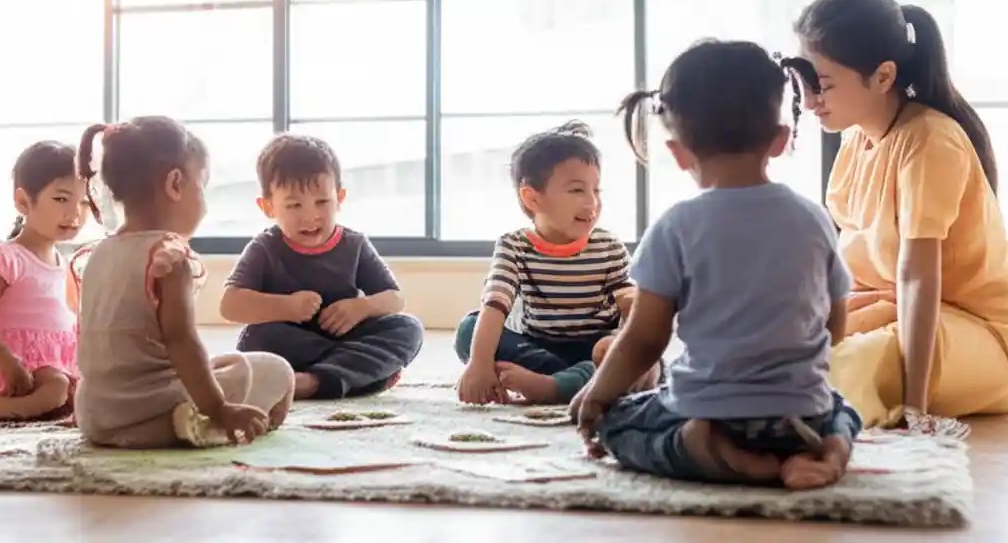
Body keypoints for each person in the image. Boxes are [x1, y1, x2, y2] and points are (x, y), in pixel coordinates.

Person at [572, 41, 861, 489]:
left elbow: (645, 339)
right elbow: (835, 324)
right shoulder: (814, 219)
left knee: (621, 422)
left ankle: (706, 448)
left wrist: (598, 395)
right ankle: (828, 450)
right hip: (800, 413)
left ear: (678, 152)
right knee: (842, 409)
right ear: (781, 139)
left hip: (712, 411)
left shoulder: (676, 226)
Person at [790, 0, 1008, 430]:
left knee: (843, 368)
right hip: (897, 311)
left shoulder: (930, 141)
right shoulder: (856, 140)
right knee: (785, 345)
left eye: (824, 85)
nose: (809, 100)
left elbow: (917, 279)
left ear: (883, 77)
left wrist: (916, 407)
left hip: (984, 335)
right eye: (803, 83)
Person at [73, 116, 294, 448]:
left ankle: (182, 422)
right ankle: (199, 423)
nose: (203, 202)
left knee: (217, 364)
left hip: (95, 417)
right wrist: (218, 407)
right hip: (150, 412)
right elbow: (182, 341)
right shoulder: (168, 258)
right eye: (201, 186)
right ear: (175, 184)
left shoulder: (96, 254)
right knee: (276, 370)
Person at [456, 121, 660, 406]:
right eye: (577, 190)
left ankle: (554, 386)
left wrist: (620, 340)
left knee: (640, 357)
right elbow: (494, 306)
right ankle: (571, 380)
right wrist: (478, 365)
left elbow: (631, 307)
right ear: (532, 198)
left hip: (597, 348)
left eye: (596, 190)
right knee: (469, 329)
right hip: (541, 347)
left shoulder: (608, 246)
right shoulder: (514, 245)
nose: (592, 202)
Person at [223, 133, 424, 400]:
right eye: (294, 205)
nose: (310, 216)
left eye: (322, 201)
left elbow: (395, 299)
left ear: (339, 198)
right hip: (291, 344)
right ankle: (358, 375)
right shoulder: (264, 247)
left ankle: (309, 382)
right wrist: (287, 307)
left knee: (408, 328)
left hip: (345, 338)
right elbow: (230, 305)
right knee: (256, 338)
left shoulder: (354, 244)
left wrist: (361, 307)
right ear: (268, 207)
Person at [0, 141, 87, 421]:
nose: (75, 213)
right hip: (15, 363)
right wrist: (8, 362)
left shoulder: (64, 261)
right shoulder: (8, 258)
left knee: (74, 388)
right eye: (62, 199)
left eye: (84, 202)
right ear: (24, 202)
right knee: (57, 387)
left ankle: (43, 405)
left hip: (53, 363)